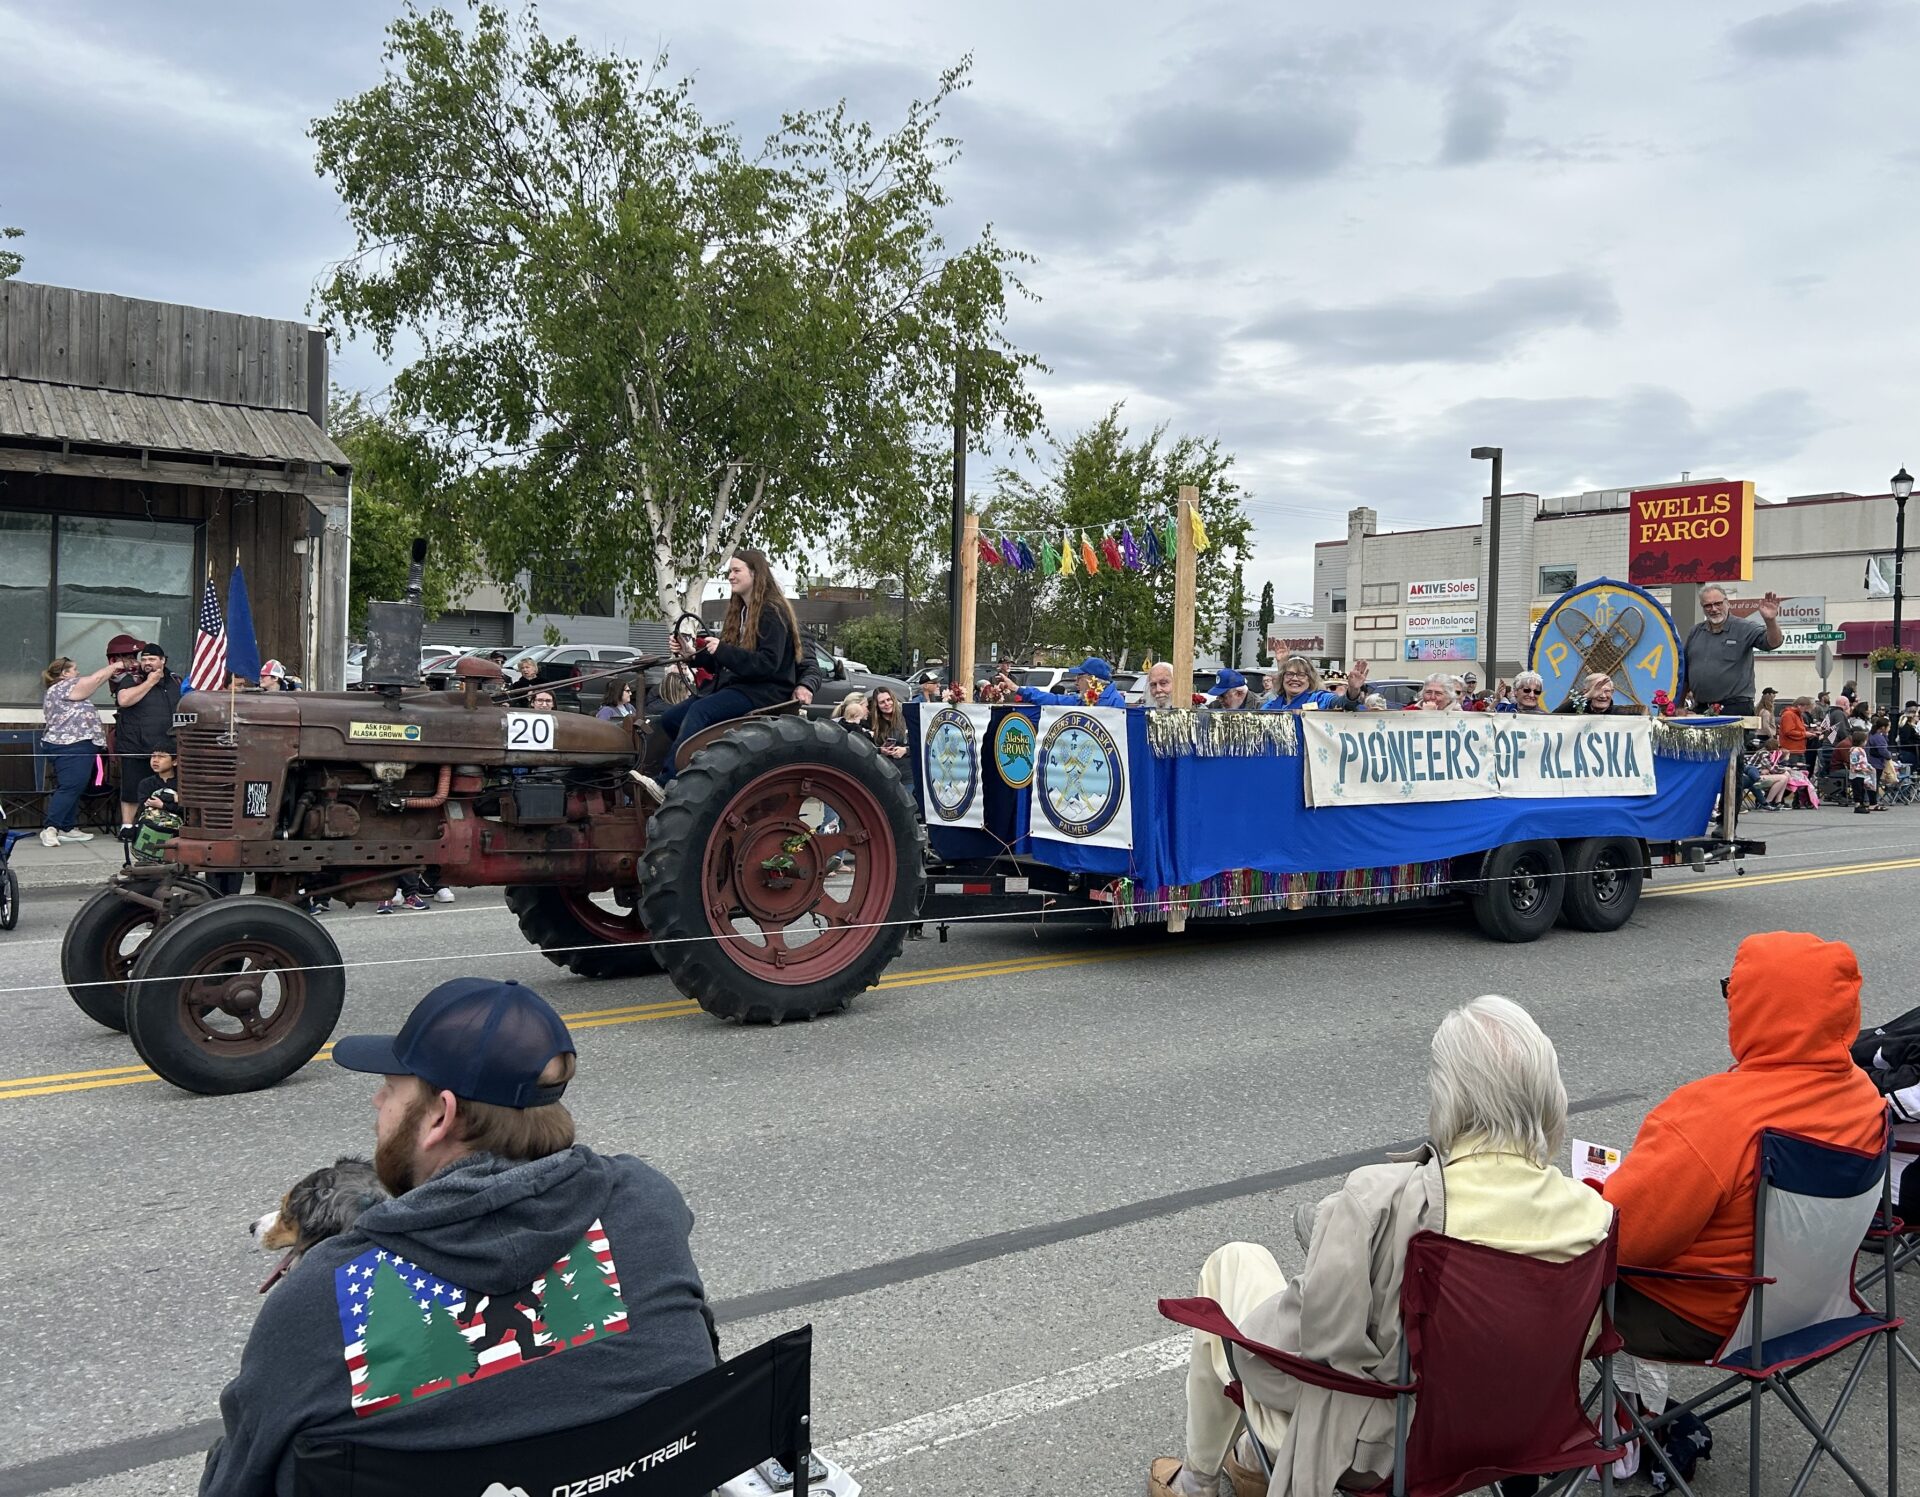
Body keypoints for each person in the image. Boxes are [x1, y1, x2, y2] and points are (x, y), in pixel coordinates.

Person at [198, 978, 717, 1497]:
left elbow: (239, 1480)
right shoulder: (645, 1203)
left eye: (392, 1088)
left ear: (440, 1117)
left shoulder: (322, 1296)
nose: (377, 1101)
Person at [1149, 997, 1611, 1497]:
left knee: (1236, 1264)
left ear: (1448, 1093)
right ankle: (1247, 1463)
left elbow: (1311, 1347)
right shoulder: (1593, 1216)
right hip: (1524, 1435)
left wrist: (1335, 1245)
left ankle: (1197, 1482)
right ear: (1548, 1092)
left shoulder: (1384, 1200)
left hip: (1386, 1453)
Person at [1600, 932, 1885, 1362]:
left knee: (1536, 1275)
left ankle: (1562, 1399)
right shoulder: (1865, 1099)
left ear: (1756, 1006)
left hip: (1701, 1319)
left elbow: (1622, 1240)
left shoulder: (1713, 1115)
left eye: (1733, 990)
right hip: (1813, 1309)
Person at [637, 549, 801, 799]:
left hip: (762, 692)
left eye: (736, 571)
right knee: (670, 719)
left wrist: (723, 650)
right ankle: (687, 773)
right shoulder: (741, 611)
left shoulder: (772, 612)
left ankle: (668, 783)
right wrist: (691, 653)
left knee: (700, 711)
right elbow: (723, 662)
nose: (730, 576)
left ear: (755, 574)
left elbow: (767, 664)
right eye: (729, 571)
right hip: (737, 687)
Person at [37, 654, 114, 848]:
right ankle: (51, 827)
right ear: (64, 674)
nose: (78, 673)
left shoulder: (64, 689)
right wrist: (117, 665)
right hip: (70, 744)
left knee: (75, 785)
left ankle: (67, 826)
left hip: (79, 743)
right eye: (74, 669)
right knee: (71, 785)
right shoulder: (62, 687)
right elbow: (96, 679)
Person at [1680, 586, 1781, 717]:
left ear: (1727, 603)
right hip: (1700, 708)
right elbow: (1685, 673)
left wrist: (1770, 621)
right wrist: (1679, 705)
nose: (1713, 609)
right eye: (1708, 605)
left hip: (1735, 708)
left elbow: (1773, 643)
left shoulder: (1744, 627)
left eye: (1718, 603)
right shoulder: (1695, 632)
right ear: (1702, 607)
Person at [112, 640, 182, 827]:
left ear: (163, 660)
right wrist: (150, 682)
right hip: (136, 745)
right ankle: (127, 826)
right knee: (131, 788)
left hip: (166, 746)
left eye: (152, 659)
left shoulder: (175, 680)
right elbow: (124, 700)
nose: (147, 663)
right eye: (144, 659)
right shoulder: (133, 678)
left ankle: (164, 824)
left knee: (168, 786)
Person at [999, 657, 1126, 708]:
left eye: (1079, 677)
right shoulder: (1082, 700)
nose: (1076, 682)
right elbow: (1052, 699)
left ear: (1092, 680)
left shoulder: (1114, 702)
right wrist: (1017, 688)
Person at [1261, 654, 1368, 712]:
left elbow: (1343, 703)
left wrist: (1353, 690)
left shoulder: (1320, 699)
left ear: (1310, 679)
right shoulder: (1269, 706)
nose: (1294, 678)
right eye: (1289, 674)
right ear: (1282, 678)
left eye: (1301, 675)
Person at [1556, 672, 1634, 715]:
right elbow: (1554, 717)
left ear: (1612, 692)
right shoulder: (1574, 712)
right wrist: (1586, 697)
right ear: (1586, 692)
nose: (1603, 696)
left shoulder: (1621, 714)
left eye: (1607, 691)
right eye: (1597, 691)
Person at [1847, 726, 1877, 814]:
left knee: (1862, 789)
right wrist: (1861, 769)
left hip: (1862, 773)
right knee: (1857, 790)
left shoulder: (1861, 750)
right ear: (1861, 741)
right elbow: (1854, 763)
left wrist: (1869, 767)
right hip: (1856, 774)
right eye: (1865, 741)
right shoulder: (1855, 751)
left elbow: (1864, 761)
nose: (1866, 742)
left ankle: (1861, 804)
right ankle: (1857, 805)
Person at [1779, 695, 1812, 776]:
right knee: (1794, 774)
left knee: (1802, 774)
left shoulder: (1797, 715)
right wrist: (1804, 734)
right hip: (1792, 750)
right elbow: (1788, 731)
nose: (1806, 711)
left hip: (1799, 749)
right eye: (1805, 708)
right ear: (1800, 705)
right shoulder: (1789, 715)